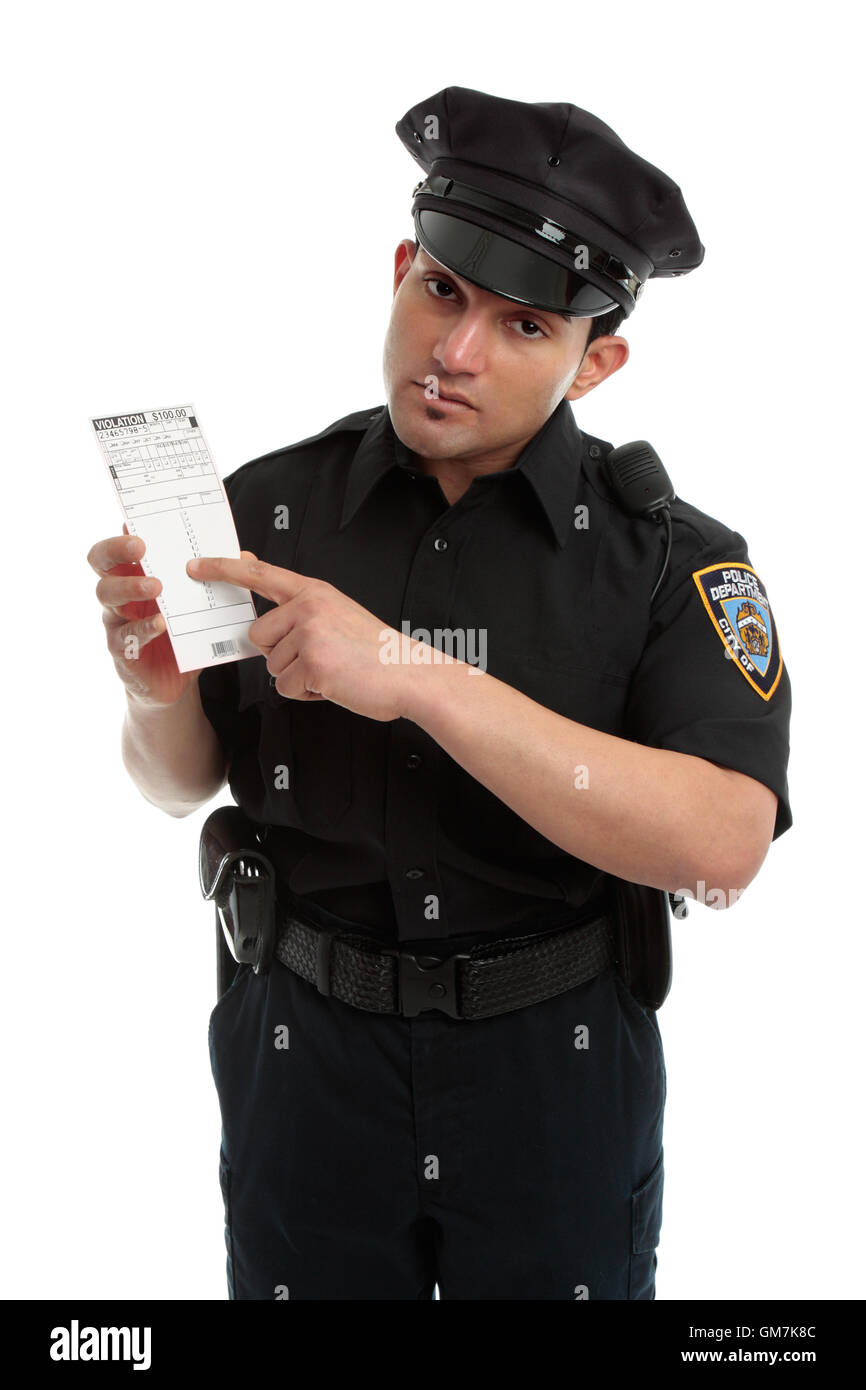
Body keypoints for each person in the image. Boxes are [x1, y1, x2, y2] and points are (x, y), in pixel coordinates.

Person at [89, 86, 792, 1300]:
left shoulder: (674, 559)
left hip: (550, 1073)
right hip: (301, 1055)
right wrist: (156, 695)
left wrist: (414, 676)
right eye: (443, 292)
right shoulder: (269, 508)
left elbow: (722, 847)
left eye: (524, 327)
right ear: (402, 266)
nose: (454, 354)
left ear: (595, 361)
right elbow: (177, 785)